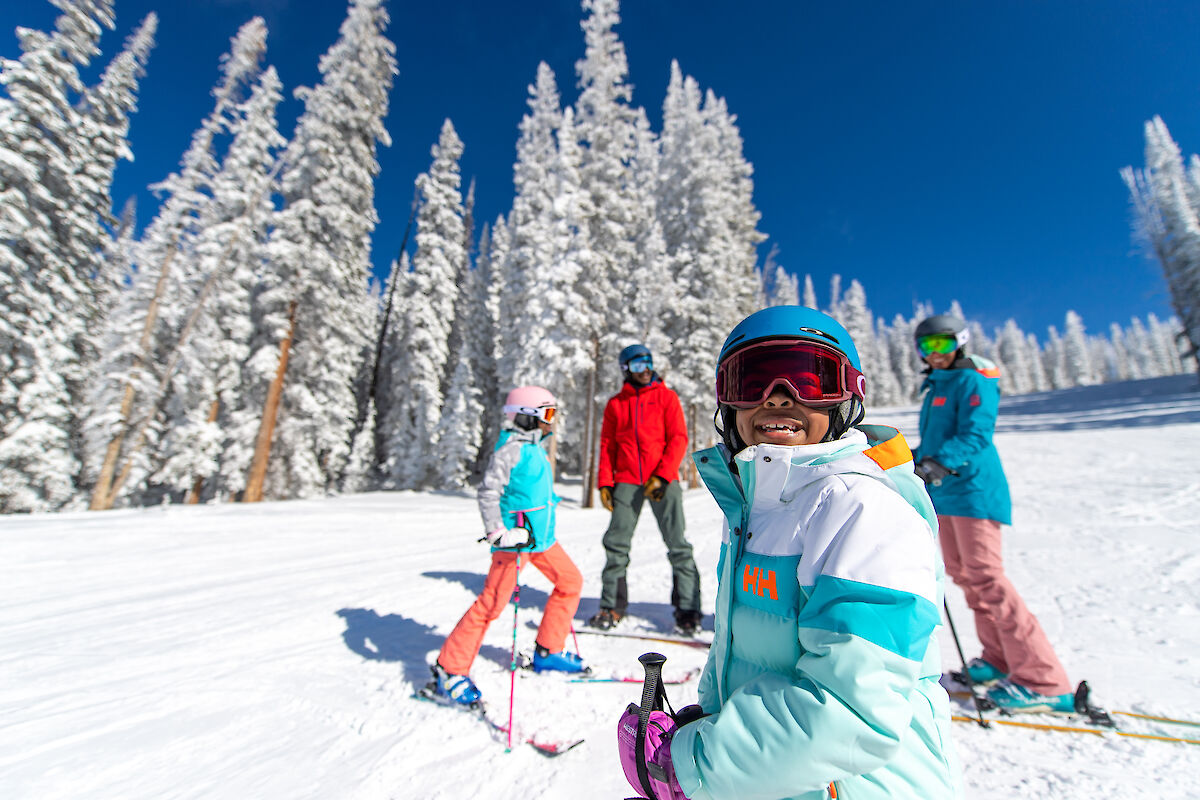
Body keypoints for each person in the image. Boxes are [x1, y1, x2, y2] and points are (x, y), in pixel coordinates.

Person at [618, 306, 960, 800]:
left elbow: (850, 713)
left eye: (810, 379)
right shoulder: (757, 508)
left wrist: (690, 764)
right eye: (751, 381)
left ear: (847, 396)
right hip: (782, 780)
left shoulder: (863, 509)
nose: (777, 397)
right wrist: (715, 722)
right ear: (727, 402)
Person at [912, 314, 1074, 713]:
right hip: (947, 494)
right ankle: (998, 658)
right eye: (927, 346)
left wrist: (937, 463)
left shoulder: (974, 379)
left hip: (974, 490)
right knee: (966, 577)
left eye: (943, 344)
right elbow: (935, 441)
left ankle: (1043, 680)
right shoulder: (938, 384)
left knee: (986, 578)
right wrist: (904, 460)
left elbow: (975, 434)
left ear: (960, 342)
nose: (935, 353)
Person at [428, 386, 586, 707]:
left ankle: (548, 650)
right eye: (547, 414)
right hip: (516, 544)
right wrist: (498, 532)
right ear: (527, 417)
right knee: (491, 605)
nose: (551, 422)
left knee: (570, 582)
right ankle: (449, 669)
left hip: (541, 541)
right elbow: (488, 492)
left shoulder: (535, 448)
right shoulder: (511, 450)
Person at [588, 343, 702, 635]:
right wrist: (605, 482)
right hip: (627, 480)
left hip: (663, 480)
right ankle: (612, 606)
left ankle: (688, 610)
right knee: (616, 543)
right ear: (626, 369)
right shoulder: (616, 404)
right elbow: (607, 445)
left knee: (678, 544)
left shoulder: (666, 397)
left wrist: (662, 476)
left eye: (649, 362)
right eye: (638, 365)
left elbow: (678, 438)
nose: (646, 369)